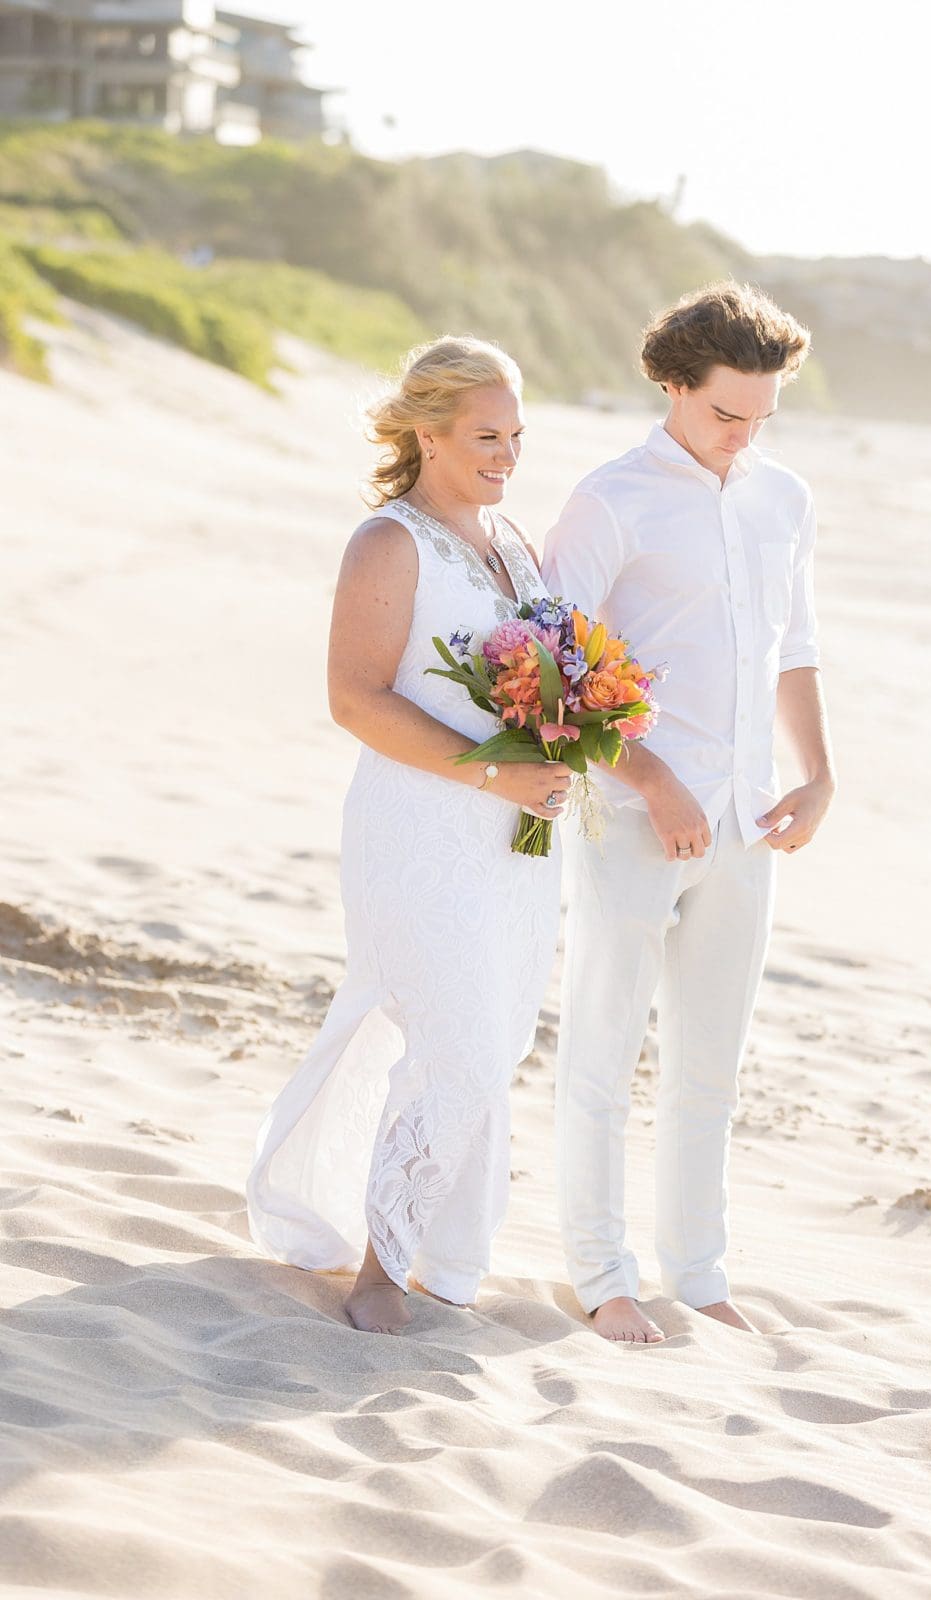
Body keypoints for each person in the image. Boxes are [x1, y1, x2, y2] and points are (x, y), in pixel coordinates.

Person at [246, 336, 571, 1334]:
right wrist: (491, 768)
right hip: (419, 828)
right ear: (424, 432)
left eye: (515, 436)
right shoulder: (386, 543)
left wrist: (566, 731)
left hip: (513, 839)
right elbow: (355, 697)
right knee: (459, 1041)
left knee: (493, 1034)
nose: (506, 456)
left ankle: (439, 1253)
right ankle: (379, 1272)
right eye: (485, 436)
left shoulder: (513, 545)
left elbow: (540, 675)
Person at [542, 282, 836, 1344]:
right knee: (602, 1050)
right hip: (629, 812)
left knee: (709, 1062)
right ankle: (597, 1272)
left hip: (747, 820)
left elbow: (788, 646)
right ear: (672, 383)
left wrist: (818, 771)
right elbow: (551, 660)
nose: (740, 438)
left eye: (760, 417)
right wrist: (651, 779)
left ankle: (698, 1273)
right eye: (723, 414)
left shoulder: (782, 497)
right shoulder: (611, 499)